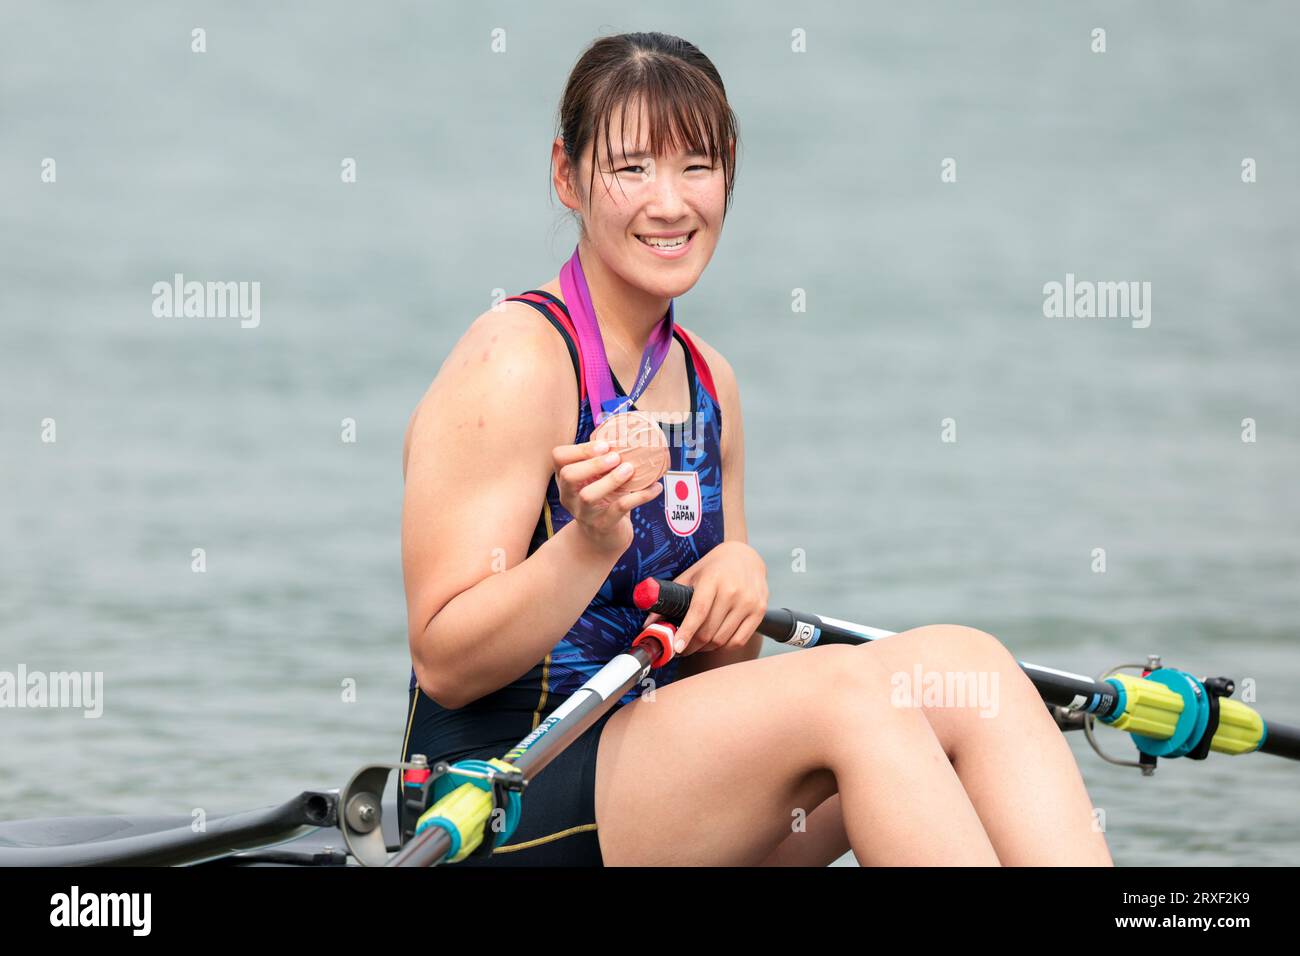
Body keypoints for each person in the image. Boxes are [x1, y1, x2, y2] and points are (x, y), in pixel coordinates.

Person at [398, 31, 1113, 866]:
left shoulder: (710, 382)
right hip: (499, 796)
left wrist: (734, 594)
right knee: (851, 695)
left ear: (729, 170)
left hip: (648, 787)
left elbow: (713, 687)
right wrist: (589, 544)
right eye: (632, 169)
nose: (670, 204)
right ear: (567, 174)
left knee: (974, 671)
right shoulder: (515, 359)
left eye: (696, 166)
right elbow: (445, 661)